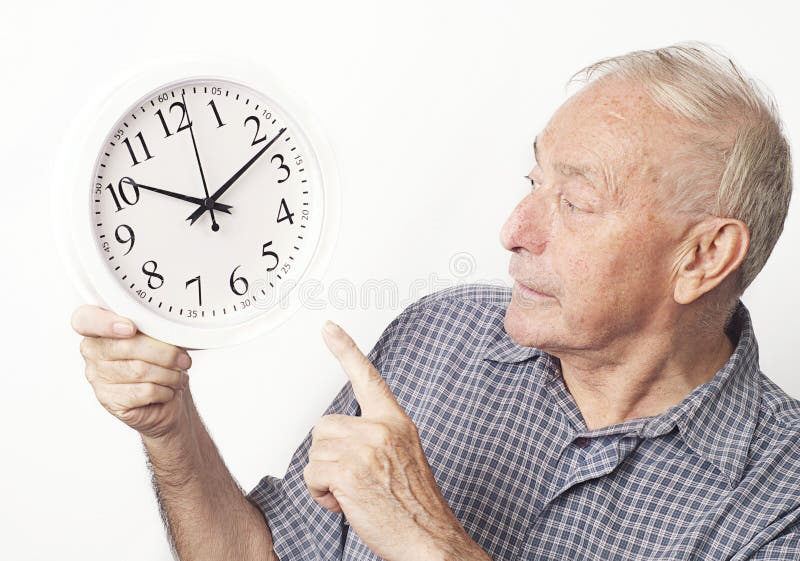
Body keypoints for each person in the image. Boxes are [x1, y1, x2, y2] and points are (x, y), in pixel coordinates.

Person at [71, 41, 800, 560]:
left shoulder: (781, 500)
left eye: (574, 201)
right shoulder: (438, 335)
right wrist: (170, 431)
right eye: (532, 183)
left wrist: (426, 540)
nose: (515, 233)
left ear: (704, 256)